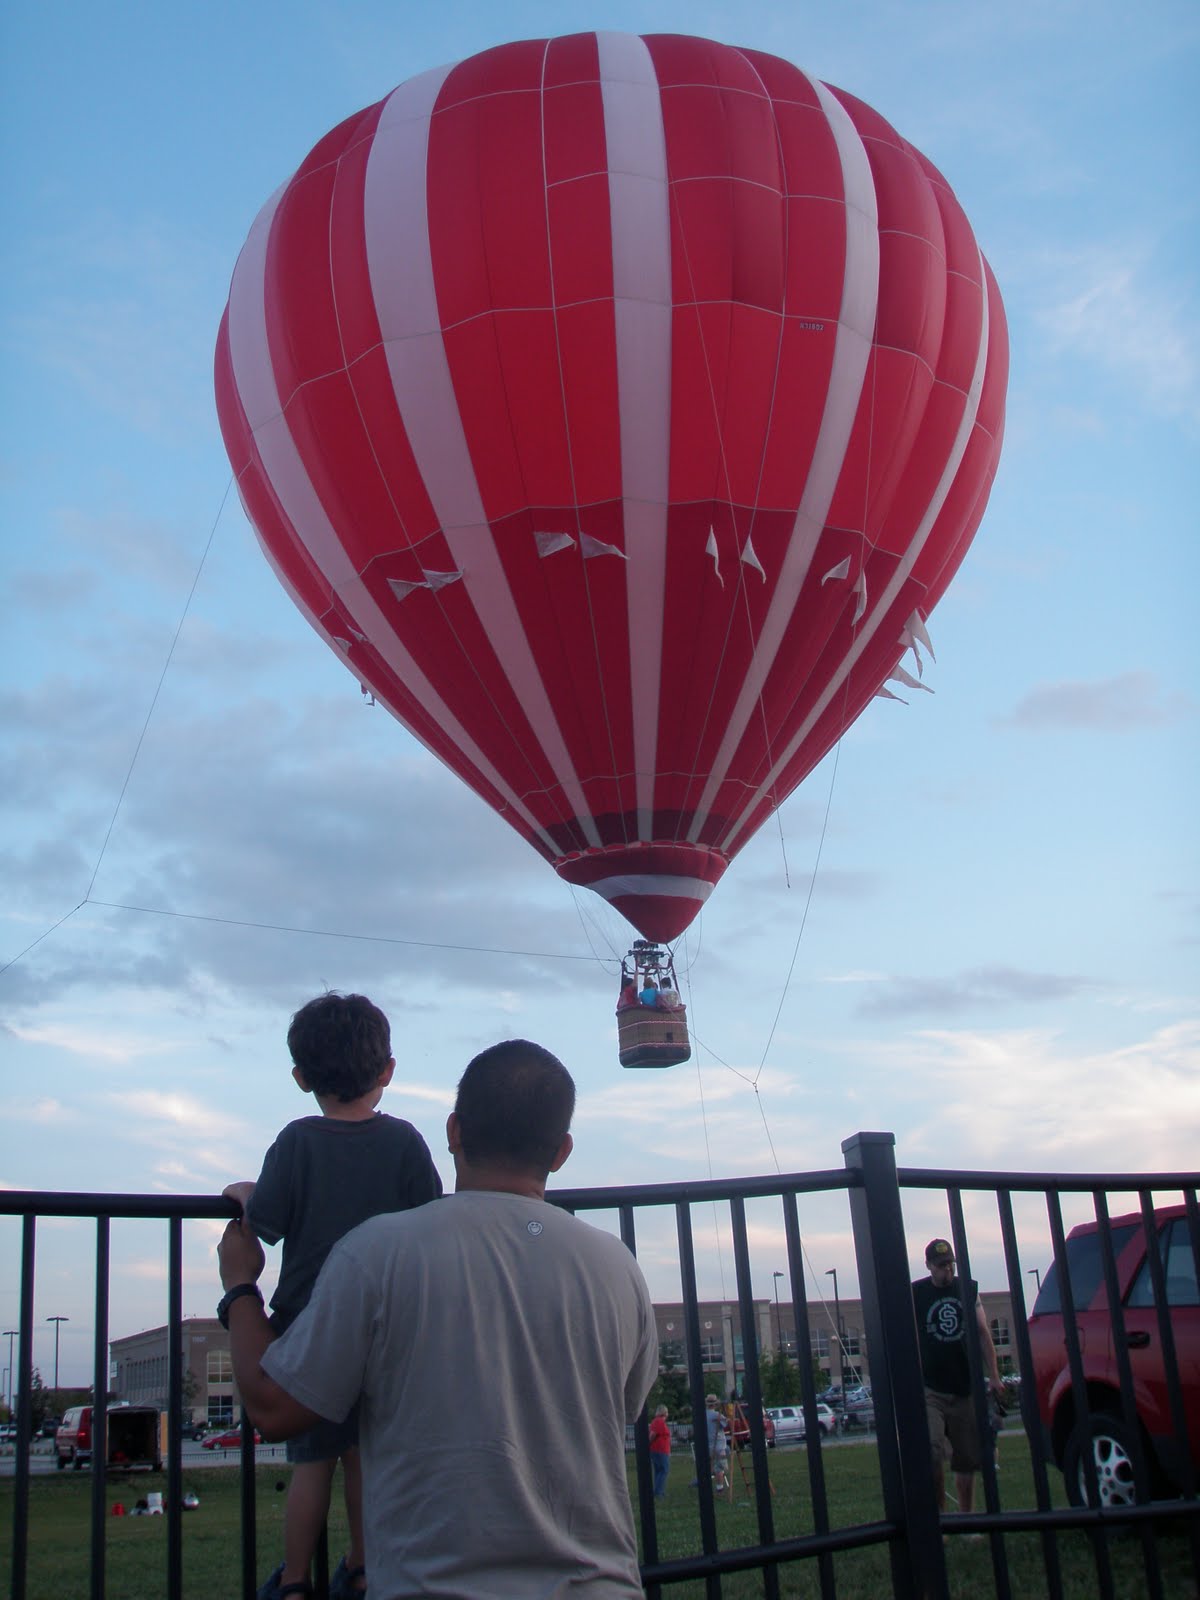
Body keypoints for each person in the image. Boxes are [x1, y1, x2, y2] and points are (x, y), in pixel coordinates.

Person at [217, 1039, 658, 1600]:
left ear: (453, 1131)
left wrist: (240, 1286)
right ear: (561, 1151)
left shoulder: (376, 1254)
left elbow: (274, 1409)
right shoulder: (617, 1267)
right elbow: (622, 1407)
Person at [222, 992, 443, 1600]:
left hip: (307, 1325)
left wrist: (246, 1192)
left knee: (312, 1462)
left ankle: (294, 1583)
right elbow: (430, 1222)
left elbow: (262, 1224)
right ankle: (365, 1567)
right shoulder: (405, 1143)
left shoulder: (296, 1141)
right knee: (363, 1457)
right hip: (386, 1325)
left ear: (300, 1077)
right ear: (387, 1071)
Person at [911, 1238, 1004, 1519]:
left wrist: (995, 1376)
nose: (947, 1270)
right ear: (929, 1266)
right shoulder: (916, 1293)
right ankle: (939, 1516)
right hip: (931, 1388)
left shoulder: (968, 1289)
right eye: (941, 1266)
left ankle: (966, 1519)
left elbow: (983, 1332)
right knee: (932, 1450)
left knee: (966, 1459)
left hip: (965, 1386)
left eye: (950, 1264)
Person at [648, 1404, 671, 1498]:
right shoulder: (659, 1421)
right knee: (664, 1470)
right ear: (664, 1412)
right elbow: (653, 1435)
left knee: (658, 1470)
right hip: (660, 1450)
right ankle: (658, 1491)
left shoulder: (657, 1421)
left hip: (658, 1449)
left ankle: (657, 1490)